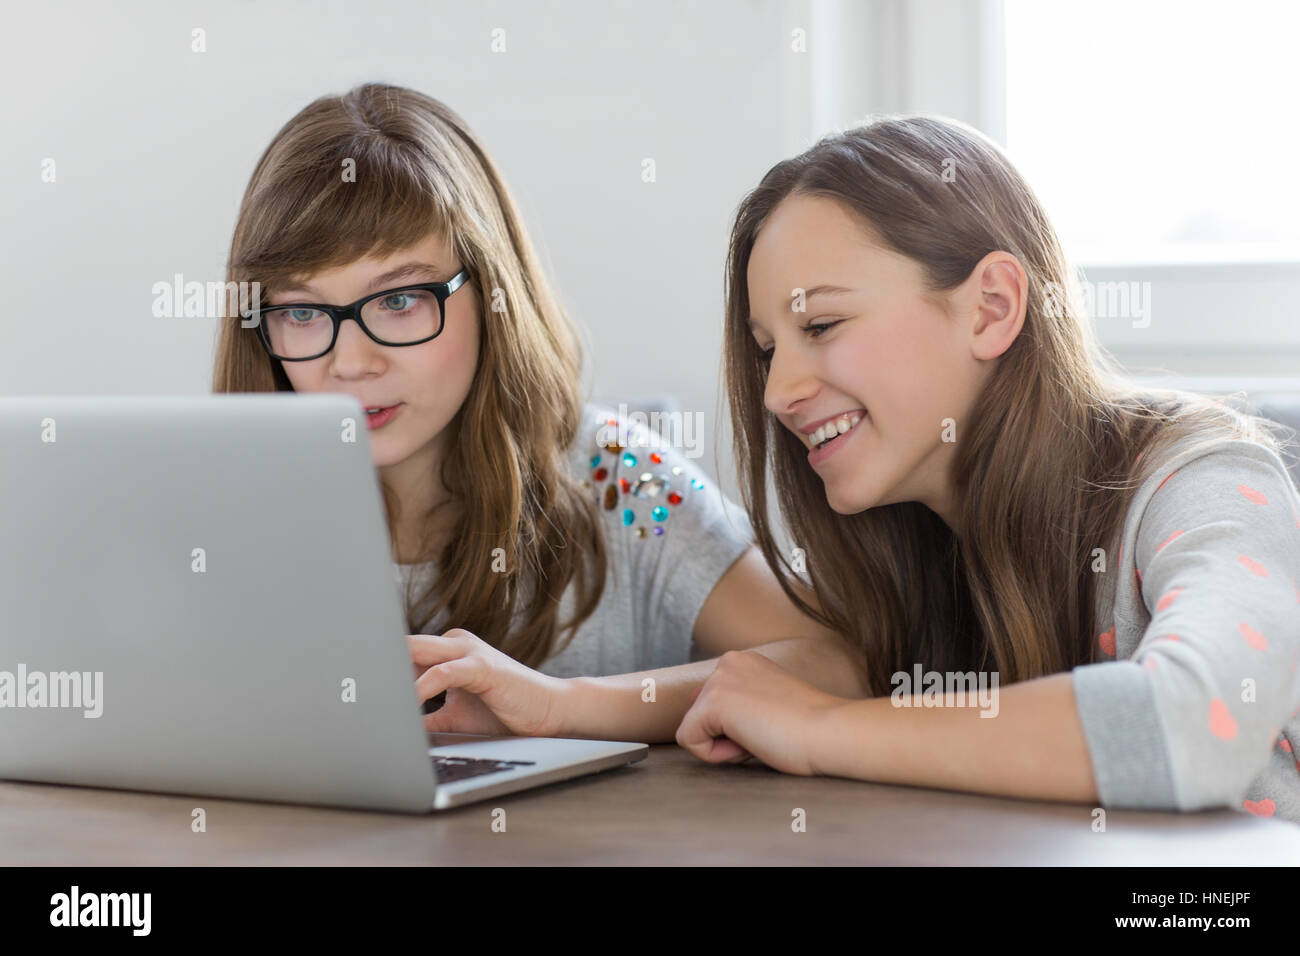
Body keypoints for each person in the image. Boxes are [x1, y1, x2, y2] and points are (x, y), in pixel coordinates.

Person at [673, 115, 1300, 823]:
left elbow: (1197, 723)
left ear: (991, 308)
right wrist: (559, 707)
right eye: (767, 350)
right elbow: (829, 671)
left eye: (819, 327)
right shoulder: (919, 543)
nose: (777, 393)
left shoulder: (1205, 483)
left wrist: (817, 731)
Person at [212, 82, 869, 745]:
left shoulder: (619, 474)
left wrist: (561, 705)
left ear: (491, 292)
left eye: (399, 302)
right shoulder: (221, 507)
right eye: (300, 312)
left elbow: (836, 664)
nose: (351, 362)